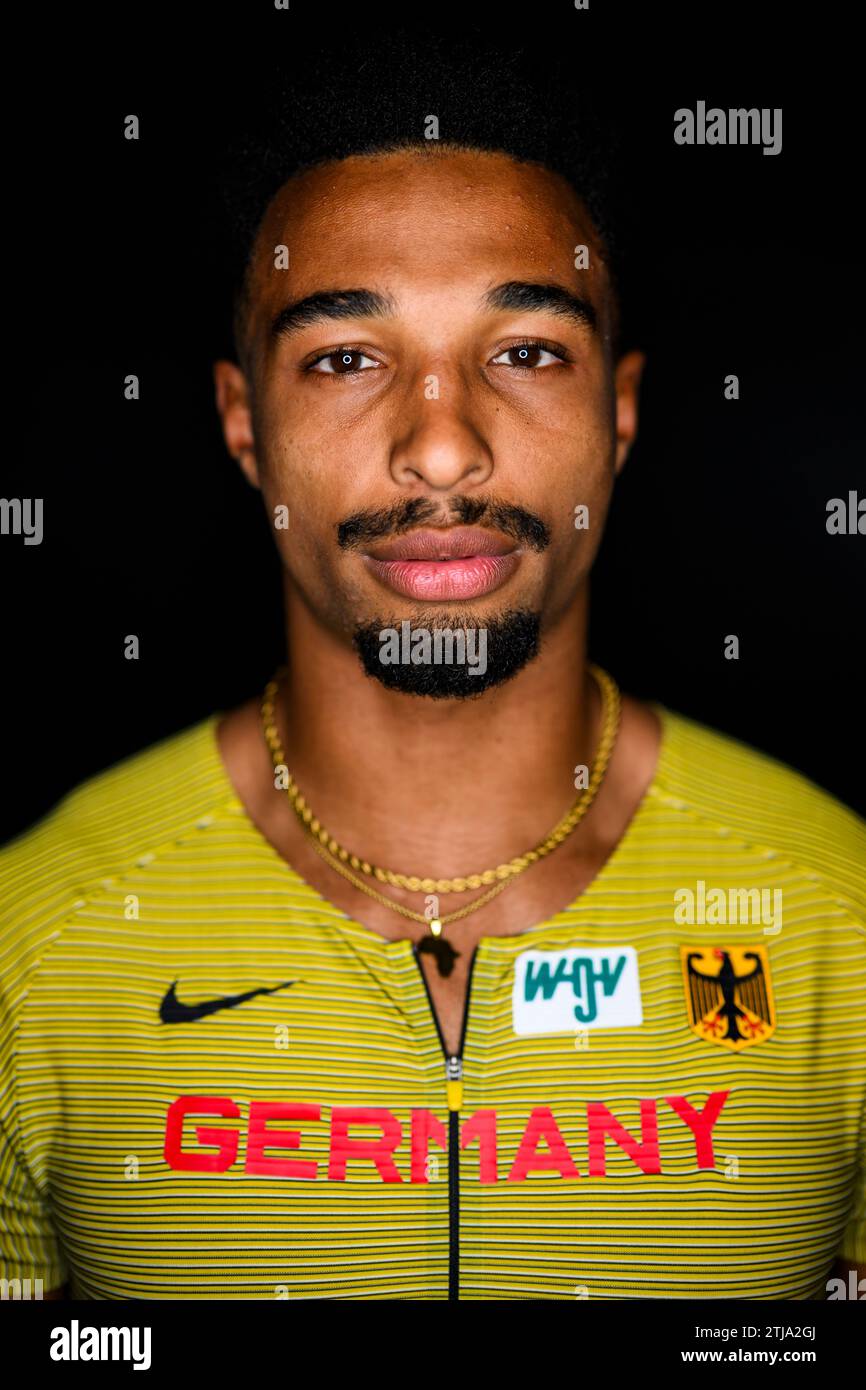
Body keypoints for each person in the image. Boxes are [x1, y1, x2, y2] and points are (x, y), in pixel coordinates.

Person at [1, 34, 863, 1301]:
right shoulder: (33, 944)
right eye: (346, 358)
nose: (444, 449)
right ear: (243, 421)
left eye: (524, 351)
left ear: (619, 413)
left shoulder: (840, 919)